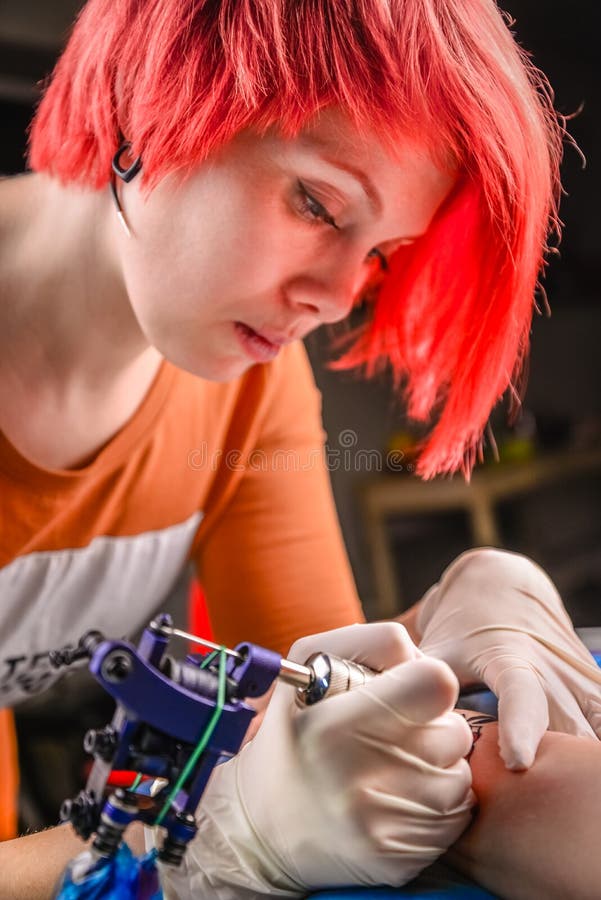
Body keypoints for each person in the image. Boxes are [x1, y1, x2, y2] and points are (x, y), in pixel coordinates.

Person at [1, 0, 601, 895]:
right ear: (147, 101)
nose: (334, 295)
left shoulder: (245, 382)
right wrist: (205, 839)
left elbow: (312, 700)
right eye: (317, 203)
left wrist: (434, 629)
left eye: (381, 254)